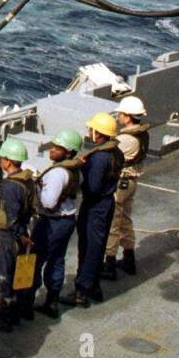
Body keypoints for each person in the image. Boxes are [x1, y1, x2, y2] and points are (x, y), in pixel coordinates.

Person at [0, 138, 35, 332]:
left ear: (8, 161)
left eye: (3, 158)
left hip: (8, 237)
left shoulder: (10, 186)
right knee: (16, 276)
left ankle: (5, 317)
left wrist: (19, 235)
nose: (1, 160)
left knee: (5, 276)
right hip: (20, 234)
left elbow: (10, 218)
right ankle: (14, 311)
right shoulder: (26, 181)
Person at [67, 112, 123, 307]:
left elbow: (93, 186)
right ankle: (93, 286)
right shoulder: (117, 152)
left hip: (95, 205)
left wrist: (79, 173)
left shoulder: (99, 158)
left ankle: (81, 291)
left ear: (98, 134)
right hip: (107, 203)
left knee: (89, 246)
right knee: (97, 246)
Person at [31, 129, 82, 317]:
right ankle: (51, 302)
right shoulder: (74, 169)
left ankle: (26, 302)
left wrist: (37, 189)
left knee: (34, 261)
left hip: (51, 223)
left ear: (68, 153)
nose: (52, 150)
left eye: (57, 148)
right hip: (67, 220)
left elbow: (48, 203)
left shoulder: (57, 173)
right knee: (57, 260)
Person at [105, 95, 150, 279]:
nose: (119, 117)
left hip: (121, 184)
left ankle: (109, 264)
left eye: (121, 114)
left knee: (113, 222)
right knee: (125, 219)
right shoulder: (142, 133)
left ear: (128, 116)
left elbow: (111, 158)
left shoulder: (125, 139)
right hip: (131, 182)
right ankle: (129, 258)